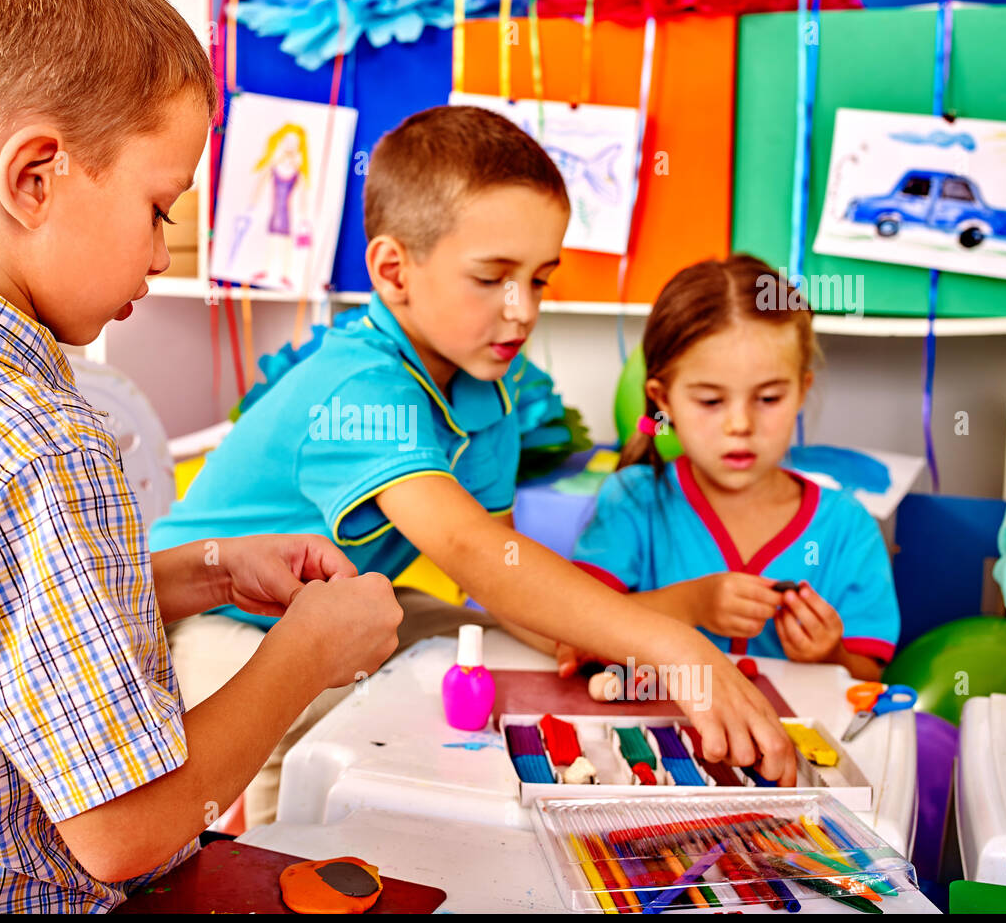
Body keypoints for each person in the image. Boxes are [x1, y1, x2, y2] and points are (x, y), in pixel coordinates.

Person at [0, 0, 401, 913]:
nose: (161, 252)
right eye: (158, 208)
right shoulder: (40, 443)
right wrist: (305, 658)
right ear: (34, 178)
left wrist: (205, 574)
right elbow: (127, 831)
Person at [152, 107, 799, 826]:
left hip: (335, 607)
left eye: (541, 279)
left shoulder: (487, 395)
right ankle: (266, 855)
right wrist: (675, 641)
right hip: (208, 619)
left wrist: (608, 640)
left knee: (480, 643)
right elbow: (472, 549)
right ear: (393, 271)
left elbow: (504, 579)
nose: (522, 310)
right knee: (278, 782)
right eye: (492, 278)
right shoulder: (359, 385)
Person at [572, 254, 899, 681]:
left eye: (768, 399)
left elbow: (867, 677)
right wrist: (691, 604)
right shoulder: (632, 502)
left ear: (802, 391)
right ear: (663, 399)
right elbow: (577, 627)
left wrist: (831, 655)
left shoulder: (847, 528)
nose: (740, 425)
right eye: (710, 401)